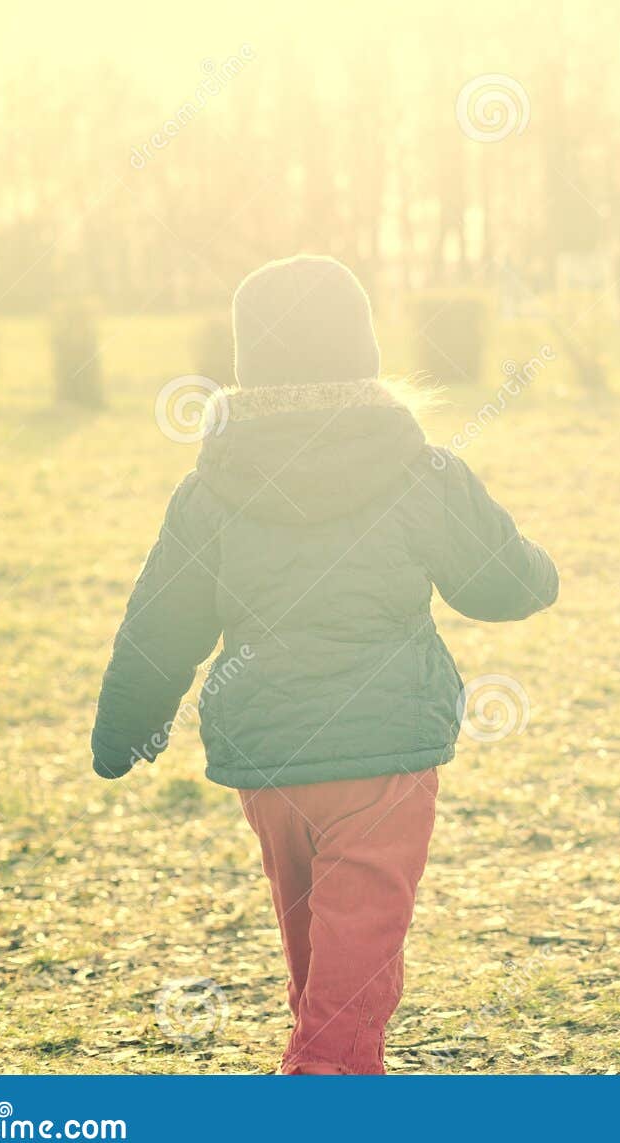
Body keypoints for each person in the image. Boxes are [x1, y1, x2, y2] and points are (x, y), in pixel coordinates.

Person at [90, 254, 558, 1074]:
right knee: (356, 960)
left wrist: (123, 730)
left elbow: (160, 624)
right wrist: (540, 570)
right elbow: (501, 584)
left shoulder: (212, 488)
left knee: (318, 947)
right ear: (365, 353)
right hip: (382, 761)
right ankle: (324, 1082)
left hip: (270, 760)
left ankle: (326, 1061)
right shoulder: (420, 472)